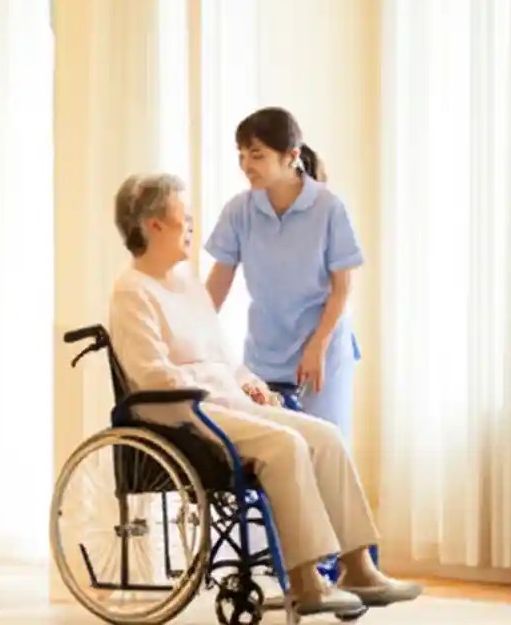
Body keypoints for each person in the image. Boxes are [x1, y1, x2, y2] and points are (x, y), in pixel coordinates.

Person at [109, 172, 421, 616]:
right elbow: (150, 373)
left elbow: (220, 355)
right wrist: (209, 387)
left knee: (325, 436)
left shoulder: (186, 282)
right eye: (186, 217)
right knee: (286, 445)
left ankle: (357, 566)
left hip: (224, 402)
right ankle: (306, 580)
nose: (193, 226)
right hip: (184, 413)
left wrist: (246, 380)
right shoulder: (132, 291)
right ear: (154, 225)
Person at [203, 107, 363, 438]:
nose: (247, 165)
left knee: (324, 450)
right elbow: (218, 283)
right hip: (265, 352)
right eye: (242, 155)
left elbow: (342, 288)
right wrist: (191, 334)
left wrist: (318, 345)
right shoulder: (240, 211)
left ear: (291, 156)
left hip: (322, 348)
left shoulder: (328, 208)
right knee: (273, 456)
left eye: (257, 155)